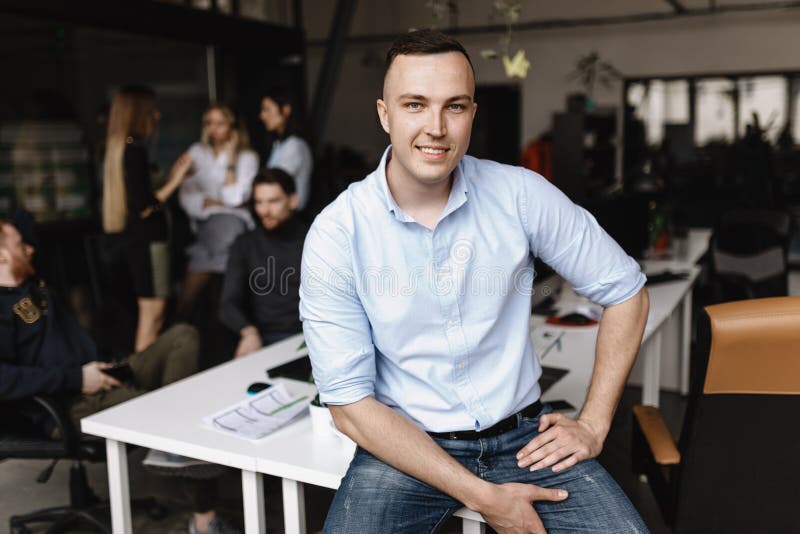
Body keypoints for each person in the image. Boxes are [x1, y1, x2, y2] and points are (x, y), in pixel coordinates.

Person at [299, 30, 651, 534]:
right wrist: (487, 498)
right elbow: (350, 407)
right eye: (415, 105)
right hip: (405, 447)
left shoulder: (519, 194)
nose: (436, 128)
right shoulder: (338, 232)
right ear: (385, 115)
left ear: (472, 114)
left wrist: (594, 424)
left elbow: (626, 292)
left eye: (455, 107)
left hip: (525, 436)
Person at [0, 219, 241, 534]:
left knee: (183, 335)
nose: (30, 248)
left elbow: (74, 343)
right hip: (66, 403)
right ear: (1, 255)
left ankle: (172, 435)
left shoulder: (36, 287)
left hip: (99, 375)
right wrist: (78, 379)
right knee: (168, 413)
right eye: (21, 245)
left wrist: (109, 366)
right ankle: (202, 512)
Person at [102, 84, 193, 352]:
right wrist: (176, 180)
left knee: (151, 314)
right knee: (152, 316)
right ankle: (144, 385)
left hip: (139, 241)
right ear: (139, 113)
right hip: (149, 243)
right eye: (152, 111)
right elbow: (145, 205)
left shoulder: (122, 149)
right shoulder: (134, 150)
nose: (157, 117)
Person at [176, 103, 260, 319]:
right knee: (192, 300)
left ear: (233, 126)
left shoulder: (247, 157)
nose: (213, 129)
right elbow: (186, 195)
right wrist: (208, 202)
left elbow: (235, 199)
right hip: (205, 226)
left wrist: (231, 160)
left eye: (220, 123)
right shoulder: (196, 152)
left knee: (227, 241)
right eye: (208, 123)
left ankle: (226, 319)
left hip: (233, 225)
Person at [219, 168, 308, 358]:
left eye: (273, 201)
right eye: (259, 202)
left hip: (311, 336)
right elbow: (228, 304)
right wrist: (249, 332)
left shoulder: (315, 238)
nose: (265, 211)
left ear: (293, 200)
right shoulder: (245, 244)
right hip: (266, 338)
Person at [260, 88, 313, 211]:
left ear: (285, 110)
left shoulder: (294, 145)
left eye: (267, 109)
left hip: (290, 214)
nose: (262, 115)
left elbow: (273, 184)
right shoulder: (279, 144)